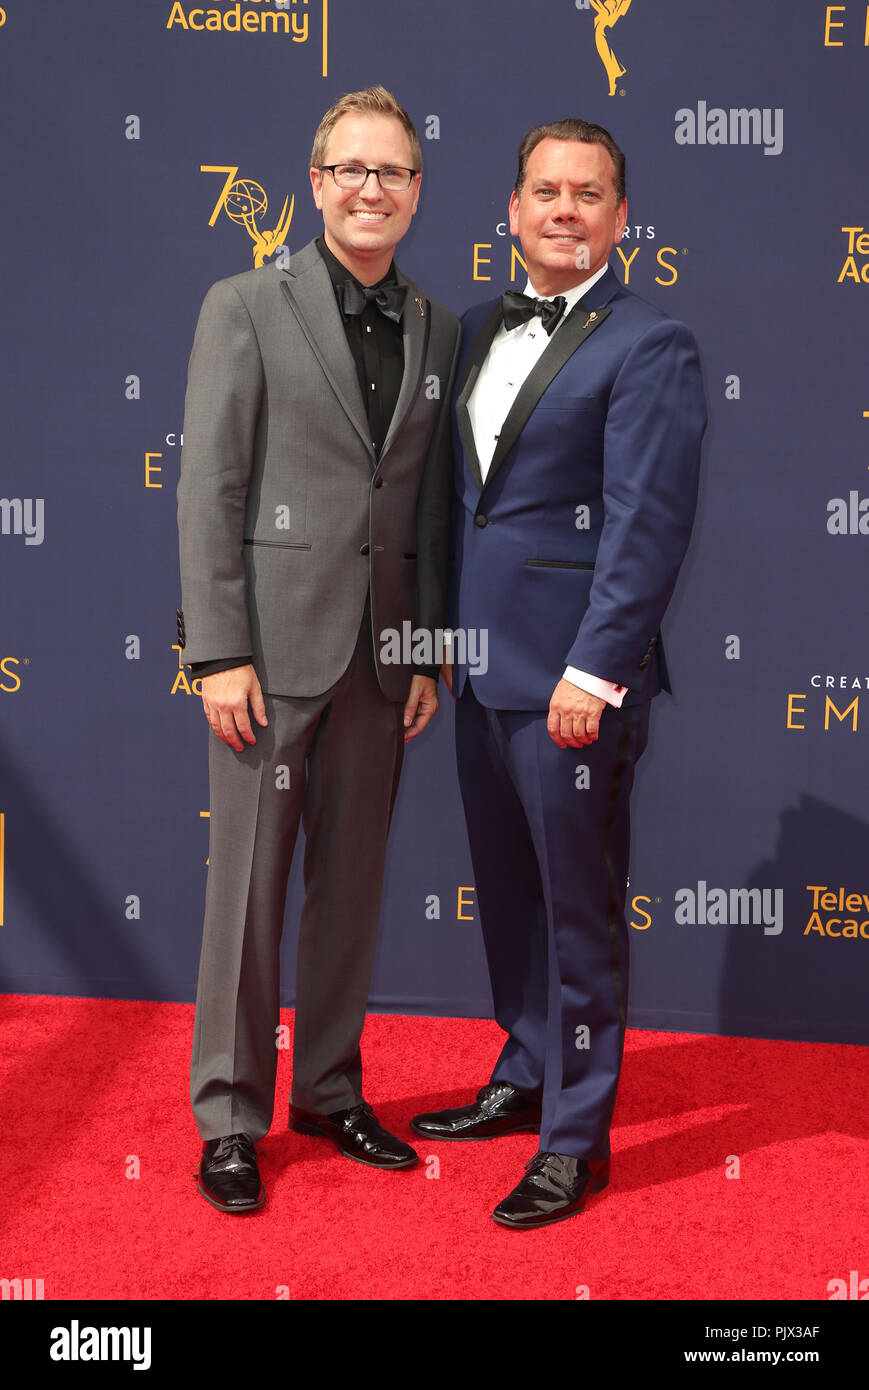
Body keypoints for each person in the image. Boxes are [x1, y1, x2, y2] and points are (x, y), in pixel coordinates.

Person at [411, 118, 706, 1229]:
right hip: (483, 672)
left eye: (588, 194)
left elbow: (646, 526)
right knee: (512, 903)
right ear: (512, 210)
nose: (564, 210)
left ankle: (573, 1138)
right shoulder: (480, 325)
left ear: (620, 219)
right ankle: (524, 1070)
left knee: (577, 913)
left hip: (572, 684)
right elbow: (459, 509)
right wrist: (436, 647)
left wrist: (596, 670)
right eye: (545, 191)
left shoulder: (649, 342)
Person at [177, 86, 460, 1213]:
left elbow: (428, 504)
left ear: (417, 193)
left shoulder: (437, 325)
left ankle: (330, 1089)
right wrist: (217, 652)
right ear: (314, 181)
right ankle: (231, 1116)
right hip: (269, 655)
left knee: (350, 891)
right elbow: (209, 487)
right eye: (350, 169)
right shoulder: (244, 303)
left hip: (384, 661)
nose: (370, 189)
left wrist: (429, 649)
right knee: (244, 895)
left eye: (391, 172)